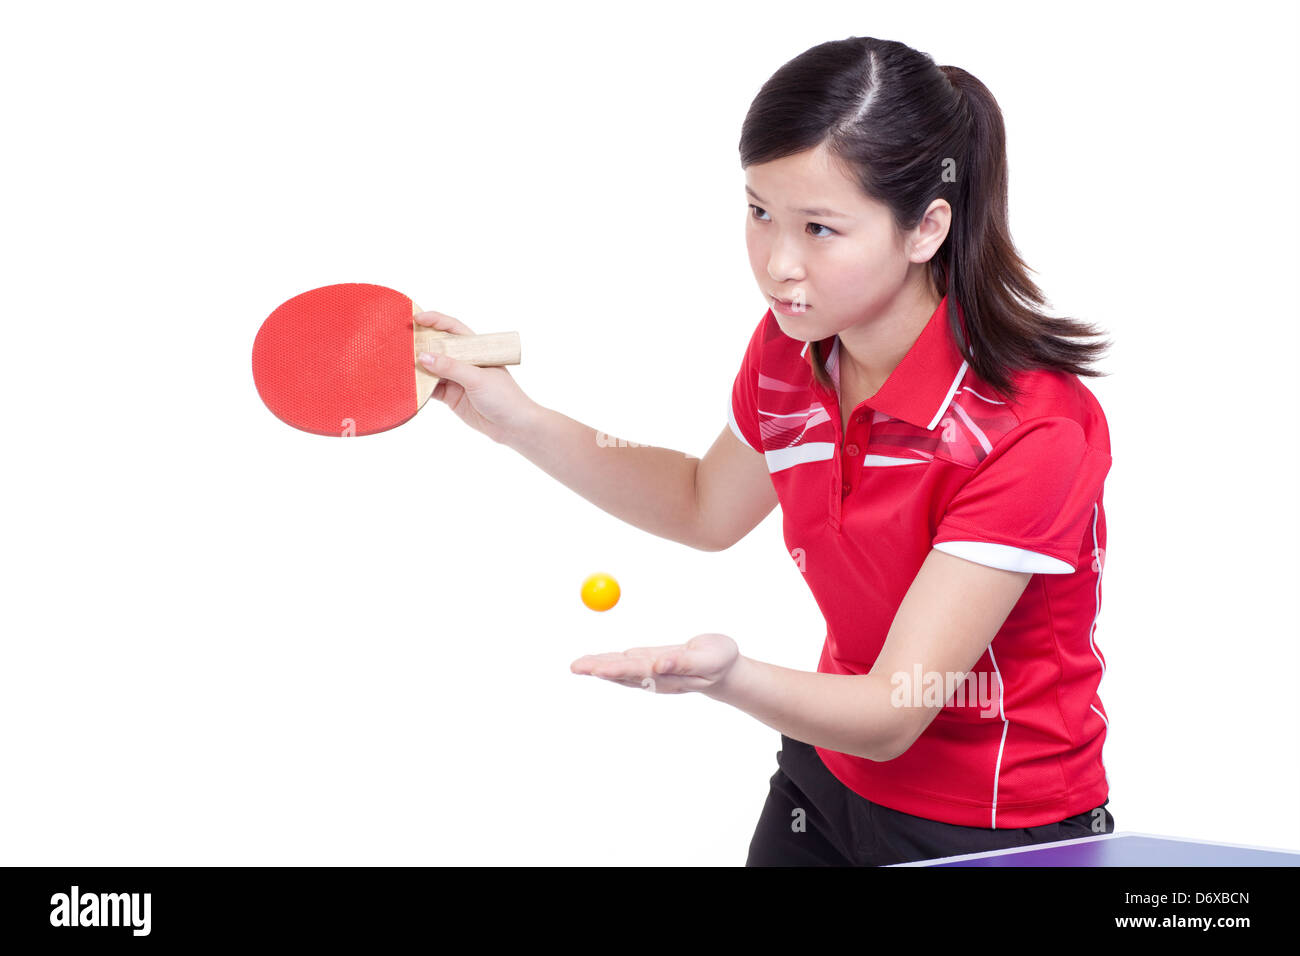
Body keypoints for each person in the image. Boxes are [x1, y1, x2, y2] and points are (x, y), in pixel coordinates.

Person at [412, 35, 1116, 866]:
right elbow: (703, 503)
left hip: (991, 824)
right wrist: (515, 418)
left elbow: (895, 711)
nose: (778, 265)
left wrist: (726, 677)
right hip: (823, 775)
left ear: (926, 227)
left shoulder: (1033, 427)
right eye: (759, 213)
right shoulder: (795, 347)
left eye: (820, 228)